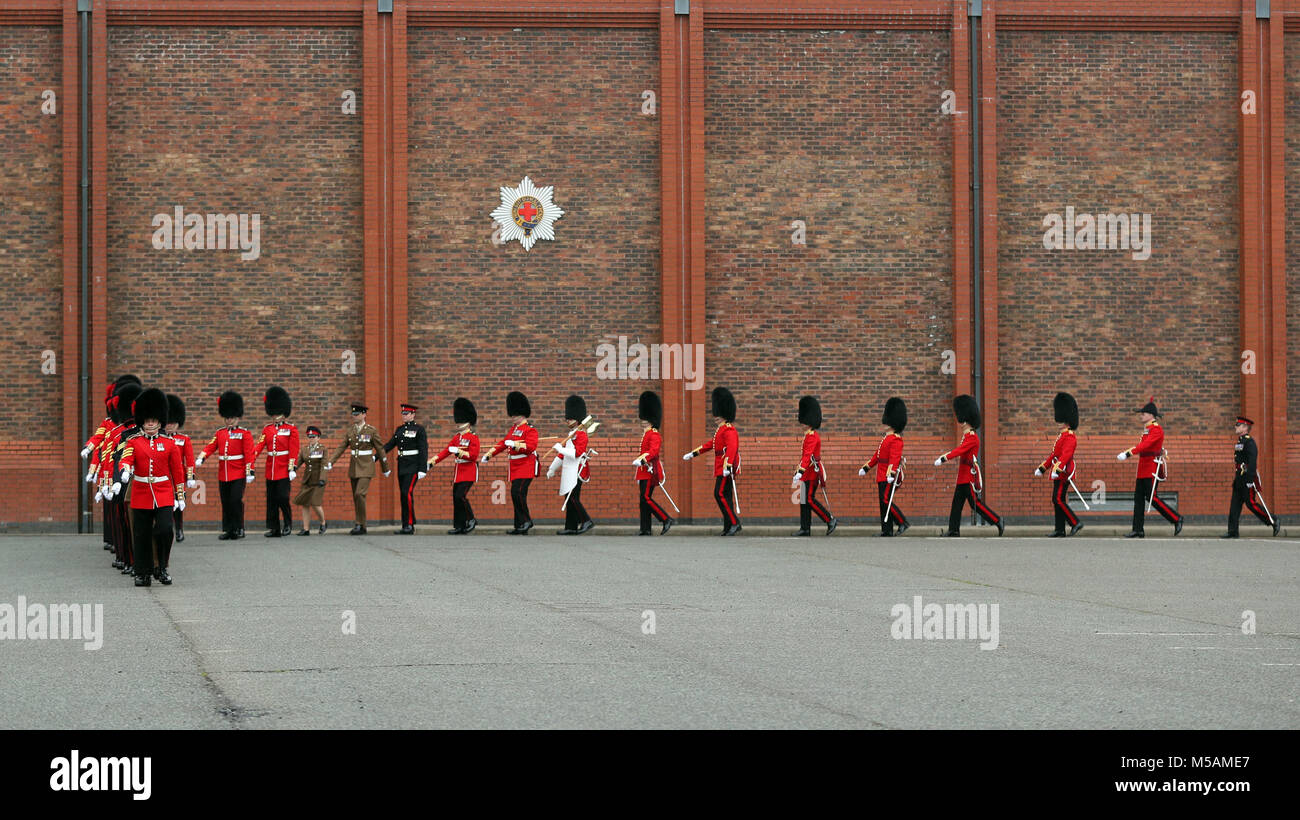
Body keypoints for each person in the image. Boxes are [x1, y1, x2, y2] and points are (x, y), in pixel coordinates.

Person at [115, 388, 185, 587]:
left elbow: (177, 471)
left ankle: (161, 567)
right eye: (147, 421)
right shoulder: (134, 442)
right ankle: (142, 572)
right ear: (142, 422)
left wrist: (180, 495)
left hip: (163, 492)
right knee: (141, 534)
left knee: (165, 530)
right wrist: (125, 469)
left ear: (160, 421)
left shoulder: (169, 444)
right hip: (141, 492)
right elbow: (126, 458)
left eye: (153, 420)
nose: (150, 423)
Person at [935, 394, 1004, 537]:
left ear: (964, 420)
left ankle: (997, 520)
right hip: (963, 477)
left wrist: (944, 458)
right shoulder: (967, 436)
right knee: (956, 505)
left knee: (975, 504)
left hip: (968, 478)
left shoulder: (972, 437)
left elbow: (960, 450)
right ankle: (953, 530)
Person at [1117, 397, 1182, 538]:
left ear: (1151, 415)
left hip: (1152, 467)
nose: (1141, 415)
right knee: (1138, 499)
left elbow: (1145, 446)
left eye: (1144, 413)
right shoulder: (1147, 429)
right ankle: (1138, 529)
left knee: (1153, 498)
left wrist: (1128, 453)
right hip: (1143, 467)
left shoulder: (1156, 429)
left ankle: (1176, 518)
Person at [196, 391, 256, 540]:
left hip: (238, 473)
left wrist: (250, 471)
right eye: (227, 418)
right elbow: (211, 446)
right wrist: (202, 457)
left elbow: (249, 453)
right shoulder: (220, 433)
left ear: (237, 418)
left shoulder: (244, 433)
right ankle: (229, 529)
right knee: (226, 502)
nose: (229, 421)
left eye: (232, 418)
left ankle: (239, 528)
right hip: (224, 473)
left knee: (236, 500)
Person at [684, 387, 741, 536]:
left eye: (719, 415)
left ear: (725, 414)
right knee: (725, 495)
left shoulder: (729, 429)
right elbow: (711, 444)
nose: (716, 417)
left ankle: (734, 522)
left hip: (725, 467)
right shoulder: (720, 430)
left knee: (719, 493)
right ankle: (729, 525)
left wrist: (728, 465)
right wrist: (693, 453)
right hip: (721, 466)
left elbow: (732, 448)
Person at [327, 403, 390, 535]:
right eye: (353, 414)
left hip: (367, 466)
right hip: (354, 466)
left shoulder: (371, 430)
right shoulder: (351, 431)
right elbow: (341, 447)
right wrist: (331, 461)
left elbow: (380, 449)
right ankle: (362, 525)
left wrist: (385, 468)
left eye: (357, 414)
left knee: (359, 494)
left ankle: (359, 523)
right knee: (356, 497)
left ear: (364, 415)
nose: (354, 416)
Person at [481, 391, 539, 534]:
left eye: (515, 415)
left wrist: (515, 445)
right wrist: (489, 454)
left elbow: (531, 447)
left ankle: (526, 521)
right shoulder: (514, 429)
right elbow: (503, 443)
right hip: (515, 467)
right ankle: (519, 525)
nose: (512, 417)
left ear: (522, 414)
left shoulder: (530, 430)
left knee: (517, 493)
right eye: (512, 415)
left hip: (526, 466)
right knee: (517, 494)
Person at [1222, 415, 1280, 538]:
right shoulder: (1241, 441)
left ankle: (1272, 520)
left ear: (1244, 427)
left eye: (1238, 425)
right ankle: (1232, 531)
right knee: (1234, 506)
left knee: (1251, 504)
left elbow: (1252, 462)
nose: (1235, 427)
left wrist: (1249, 480)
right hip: (1239, 478)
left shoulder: (1249, 442)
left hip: (1247, 478)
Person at [429, 398, 480, 534]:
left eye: (461, 421)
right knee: (455, 498)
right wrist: (432, 461)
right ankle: (459, 525)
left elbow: (473, 456)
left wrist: (459, 452)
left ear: (468, 422)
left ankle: (471, 519)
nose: (458, 423)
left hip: (469, 470)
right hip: (459, 471)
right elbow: (446, 451)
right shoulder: (457, 437)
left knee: (460, 496)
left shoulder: (473, 437)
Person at [253, 386, 299, 538]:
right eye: (273, 413)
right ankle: (274, 528)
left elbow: (294, 449)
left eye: (277, 413)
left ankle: (287, 523)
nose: (275, 416)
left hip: (283, 468)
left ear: (284, 414)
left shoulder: (291, 429)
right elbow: (259, 446)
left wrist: (292, 468)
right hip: (270, 468)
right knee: (271, 499)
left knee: (283, 497)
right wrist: (249, 460)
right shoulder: (267, 429)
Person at [547, 395, 596, 535]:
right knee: (568, 496)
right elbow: (562, 455)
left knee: (573, 496)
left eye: (570, 418)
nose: (567, 420)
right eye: (567, 418)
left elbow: (577, 452)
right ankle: (571, 526)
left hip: (577, 468)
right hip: (569, 468)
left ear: (577, 419)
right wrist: (552, 468)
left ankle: (586, 520)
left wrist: (560, 448)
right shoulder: (572, 434)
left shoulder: (581, 434)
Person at [1036, 392, 1083, 537]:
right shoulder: (1062, 436)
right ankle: (1060, 529)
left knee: (1057, 499)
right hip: (1058, 472)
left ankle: (1075, 522)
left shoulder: (1069, 436)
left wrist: (1058, 468)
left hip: (1063, 472)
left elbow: (1066, 455)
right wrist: (1043, 468)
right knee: (1057, 499)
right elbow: (1054, 455)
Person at [861, 397, 909, 537]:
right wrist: (866, 467)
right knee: (883, 502)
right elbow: (877, 456)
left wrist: (891, 474)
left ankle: (902, 522)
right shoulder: (886, 438)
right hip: (881, 474)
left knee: (886, 500)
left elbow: (894, 459)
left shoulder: (896, 439)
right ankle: (886, 530)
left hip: (888, 475)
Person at [791, 395, 836, 536]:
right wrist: (799, 472)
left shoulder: (812, 436)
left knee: (809, 499)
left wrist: (800, 471)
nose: (802, 423)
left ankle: (829, 519)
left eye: (804, 421)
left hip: (811, 473)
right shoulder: (808, 435)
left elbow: (807, 455)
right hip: (807, 472)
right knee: (803, 500)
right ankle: (805, 528)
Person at [632, 390, 673, 536]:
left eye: (646, 419)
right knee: (642, 500)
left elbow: (653, 451)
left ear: (651, 419)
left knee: (646, 498)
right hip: (643, 471)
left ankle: (665, 518)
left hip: (650, 470)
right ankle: (645, 528)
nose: (643, 421)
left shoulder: (654, 434)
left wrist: (641, 460)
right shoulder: (646, 434)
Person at [383, 403, 428, 534]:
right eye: (403, 413)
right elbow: (390, 445)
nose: (404, 416)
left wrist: (422, 468)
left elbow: (423, 449)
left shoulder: (419, 429)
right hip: (402, 465)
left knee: (406, 493)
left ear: (413, 415)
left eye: (407, 414)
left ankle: (409, 524)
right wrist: (376, 456)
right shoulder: (399, 430)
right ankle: (406, 524)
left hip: (413, 465)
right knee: (403, 495)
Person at [164, 394, 196, 542]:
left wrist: (190, 476)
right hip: (163, 477)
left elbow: (189, 459)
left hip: (178, 478)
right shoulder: (160, 439)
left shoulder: (184, 440)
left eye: (173, 423)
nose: (170, 425)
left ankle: (179, 529)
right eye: (168, 422)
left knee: (179, 503)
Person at [293, 426, 328, 535]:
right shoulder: (305, 449)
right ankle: (306, 528)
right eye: (309, 436)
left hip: (318, 481)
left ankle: (323, 522)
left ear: (318, 437)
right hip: (307, 480)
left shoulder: (323, 449)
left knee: (315, 503)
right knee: (305, 503)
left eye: (313, 436)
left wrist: (322, 479)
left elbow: (324, 465)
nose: (311, 438)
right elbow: (298, 462)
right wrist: (292, 469)